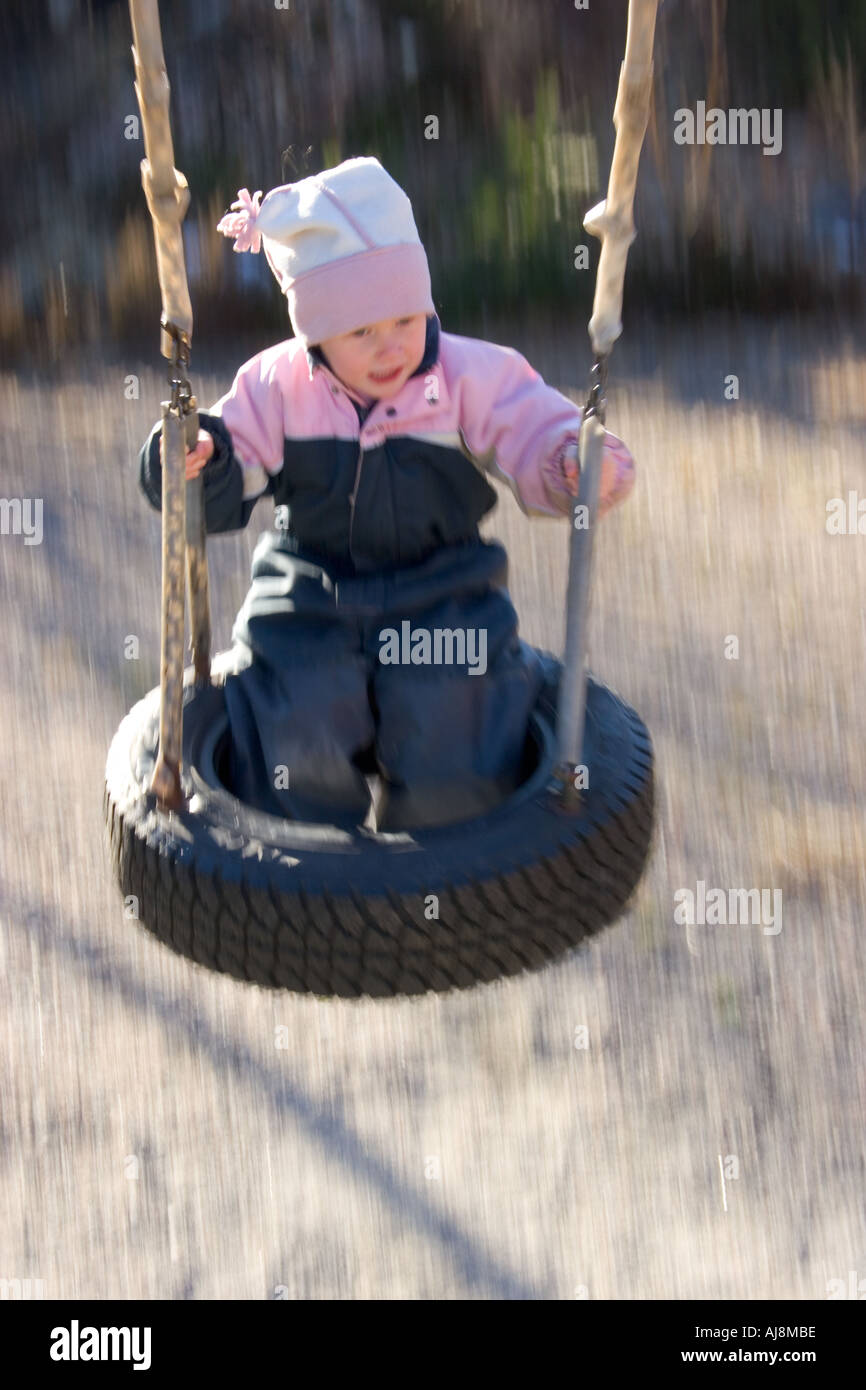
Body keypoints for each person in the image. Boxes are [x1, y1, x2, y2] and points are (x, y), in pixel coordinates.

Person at [140, 156, 635, 831]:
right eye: (361, 332)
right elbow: (223, 465)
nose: (390, 348)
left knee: (453, 707)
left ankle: (451, 867)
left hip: (443, 586)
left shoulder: (466, 376)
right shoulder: (278, 387)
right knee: (294, 702)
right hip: (311, 586)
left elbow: (533, 425)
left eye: (404, 318)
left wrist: (573, 464)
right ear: (313, 332)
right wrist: (195, 459)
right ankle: (300, 868)